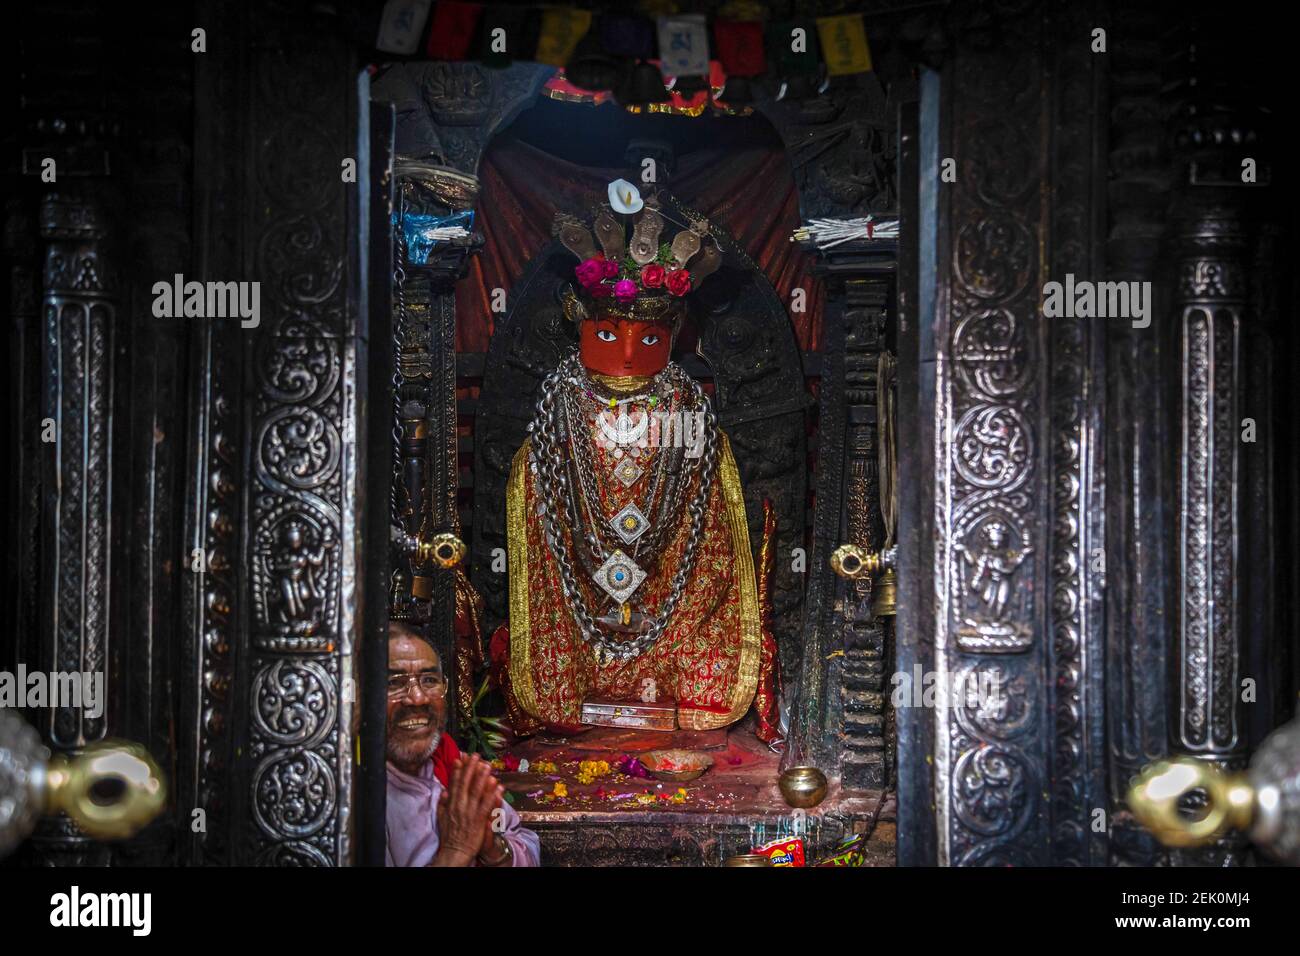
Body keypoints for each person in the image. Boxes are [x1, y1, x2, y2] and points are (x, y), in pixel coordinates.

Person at [385, 621, 540, 867]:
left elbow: (525, 842)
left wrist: (492, 848)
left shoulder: (451, 763)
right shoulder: (357, 798)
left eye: (429, 680)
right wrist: (457, 850)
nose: (417, 698)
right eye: (394, 683)